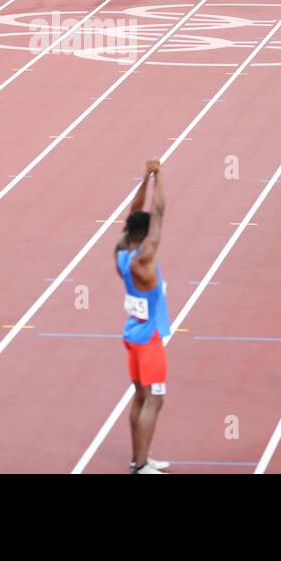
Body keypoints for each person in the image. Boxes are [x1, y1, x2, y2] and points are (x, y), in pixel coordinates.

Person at [116, 159, 172, 474]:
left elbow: (134, 214)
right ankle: (140, 465)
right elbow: (160, 210)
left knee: (140, 396)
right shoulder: (146, 258)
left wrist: (144, 178)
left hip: (132, 334)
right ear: (146, 233)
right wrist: (158, 174)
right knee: (155, 400)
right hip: (149, 338)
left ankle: (139, 458)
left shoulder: (122, 253)